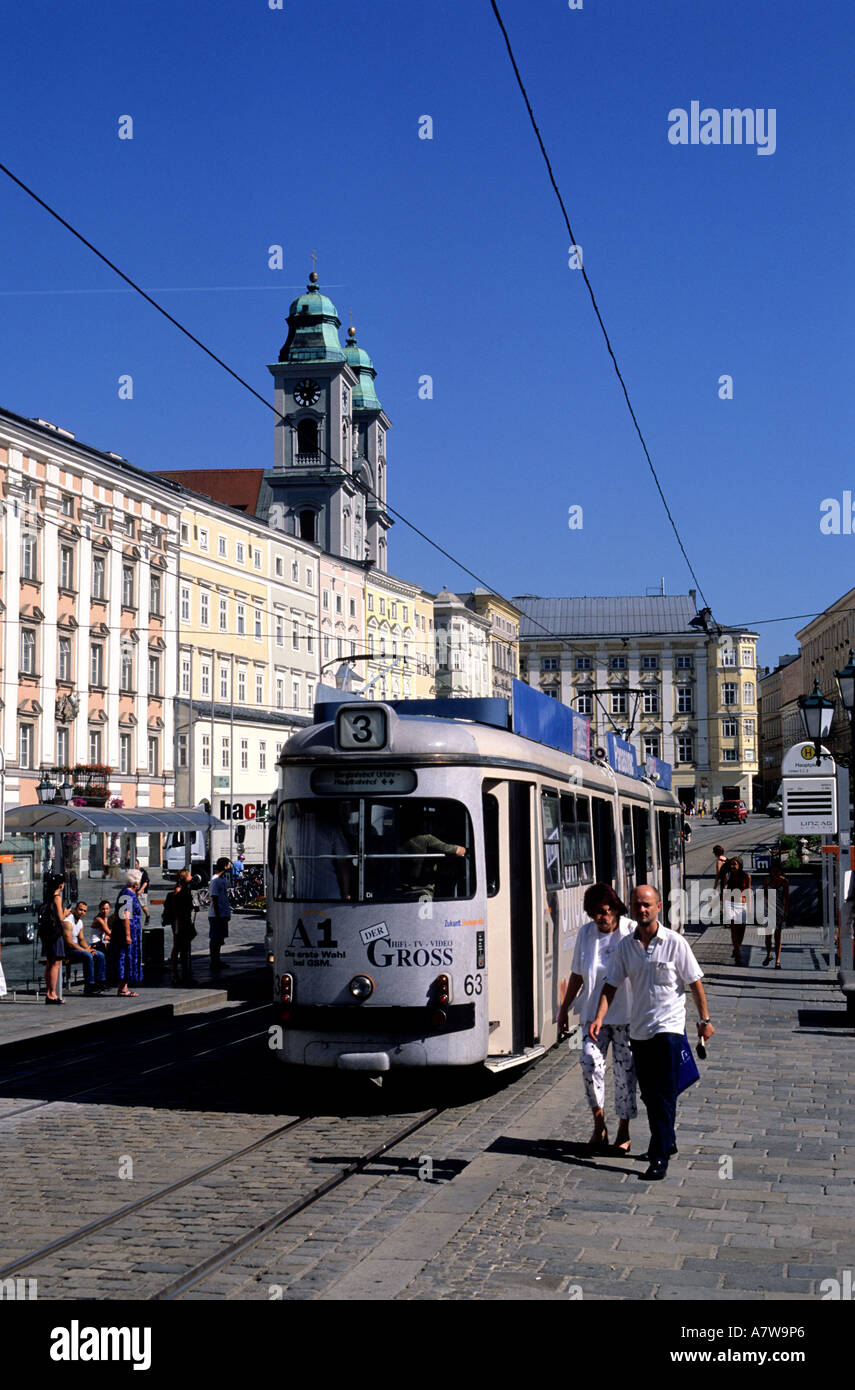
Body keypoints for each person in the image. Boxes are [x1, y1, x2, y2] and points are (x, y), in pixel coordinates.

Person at [590, 884, 714, 1181]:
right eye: (637, 905)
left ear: (659, 907)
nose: (642, 909)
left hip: (669, 1027)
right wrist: (598, 1018)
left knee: (664, 1093)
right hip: (640, 1029)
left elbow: (695, 983)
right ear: (631, 909)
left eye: (647, 904)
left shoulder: (675, 942)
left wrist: (704, 1020)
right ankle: (667, 1140)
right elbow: (611, 984)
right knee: (650, 1094)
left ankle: (658, 1156)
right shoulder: (625, 947)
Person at [556, 884, 637, 1154]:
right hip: (592, 1016)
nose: (600, 918)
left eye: (604, 912)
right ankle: (599, 1124)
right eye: (594, 914)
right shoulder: (586, 933)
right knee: (589, 1064)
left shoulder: (631, 931)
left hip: (627, 1016)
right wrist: (564, 1009)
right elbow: (578, 974)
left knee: (626, 1074)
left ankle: (624, 1128)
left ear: (615, 909)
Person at [109, 867, 144, 997]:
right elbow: (125, 915)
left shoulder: (128, 893)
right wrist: (128, 935)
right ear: (135, 883)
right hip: (126, 932)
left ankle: (124, 986)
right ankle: (122, 988)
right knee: (125, 957)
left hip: (130, 931)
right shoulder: (127, 895)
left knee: (128, 958)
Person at [63, 902, 107, 997]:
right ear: (75, 909)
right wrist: (85, 951)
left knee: (99, 955)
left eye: (84, 911)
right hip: (67, 950)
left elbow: (81, 940)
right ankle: (89, 985)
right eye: (80, 909)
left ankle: (100, 982)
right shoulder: (68, 922)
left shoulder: (80, 922)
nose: (82, 912)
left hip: (76, 949)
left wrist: (88, 949)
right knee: (87, 956)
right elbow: (69, 942)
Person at [165, 868, 197, 986]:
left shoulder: (185, 889)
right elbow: (176, 909)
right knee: (178, 947)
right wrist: (180, 924)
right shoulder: (178, 891)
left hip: (183, 922)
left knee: (183, 947)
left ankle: (185, 973)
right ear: (185, 877)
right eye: (189, 875)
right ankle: (177, 974)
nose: (191, 877)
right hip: (180, 923)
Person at [40, 873, 68, 1005]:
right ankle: (53, 993)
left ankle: (48, 992)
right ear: (61, 885)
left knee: (49, 963)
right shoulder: (57, 898)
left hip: (47, 934)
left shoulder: (48, 897)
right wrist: (66, 912)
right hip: (55, 933)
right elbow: (61, 918)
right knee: (56, 964)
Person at [721, 856, 752, 965]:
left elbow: (748, 892)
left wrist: (750, 908)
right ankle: (738, 953)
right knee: (734, 930)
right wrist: (723, 907)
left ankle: (736, 947)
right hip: (731, 905)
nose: (732, 866)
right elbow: (724, 892)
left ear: (740, 865)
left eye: (735, 864)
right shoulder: (728, 876)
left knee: (741, 930)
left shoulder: (746, 876)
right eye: (731, 864)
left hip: (742, 905)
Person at [762, 861, 790, 969]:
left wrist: (785, 913)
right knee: (768, 936)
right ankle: (768, 953)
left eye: (777, 871)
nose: (775, 873)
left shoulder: (784, 882)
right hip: (768, 910)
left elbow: (787, 898)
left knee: (778, 936)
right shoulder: (767, 880)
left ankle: (778, 959)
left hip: (779, 911)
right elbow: (763, 893)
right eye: (773, 871)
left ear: (781, 872)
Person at [208, 857, 232, 970]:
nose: (230, 866)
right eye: (228, 864)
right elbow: (214, 898)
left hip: (222, 914)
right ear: (225, 866)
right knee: (215, 939)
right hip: (216, 915)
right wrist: (218, 915)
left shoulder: (222, 879)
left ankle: (217, 960)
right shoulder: (215, 880)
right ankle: (214, 961)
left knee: (220, 938)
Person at [135, 859, 151, 924]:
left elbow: (145, 882)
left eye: (136, 865)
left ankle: (147, 916)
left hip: (142, 891)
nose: (135, 866)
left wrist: (140, 890)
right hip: (134, 891)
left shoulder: (143, 872)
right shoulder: (133, 872)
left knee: (143, 906)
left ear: (138, 864)